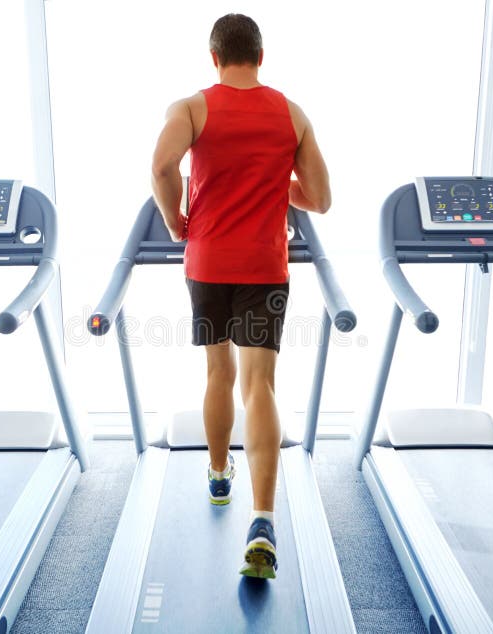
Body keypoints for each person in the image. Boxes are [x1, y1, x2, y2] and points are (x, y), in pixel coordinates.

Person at [150, 13, 331, 580]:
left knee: (218, 373)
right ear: (260, 56)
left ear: (214, 57)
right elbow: (320, 199)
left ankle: (218, 475)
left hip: (207, 262)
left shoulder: (191, 108)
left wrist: (176, 220)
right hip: (263, 266)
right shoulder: (291, 114)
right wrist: (276, 183)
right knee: (260, 386)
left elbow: (161, 166)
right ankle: (263, 521)